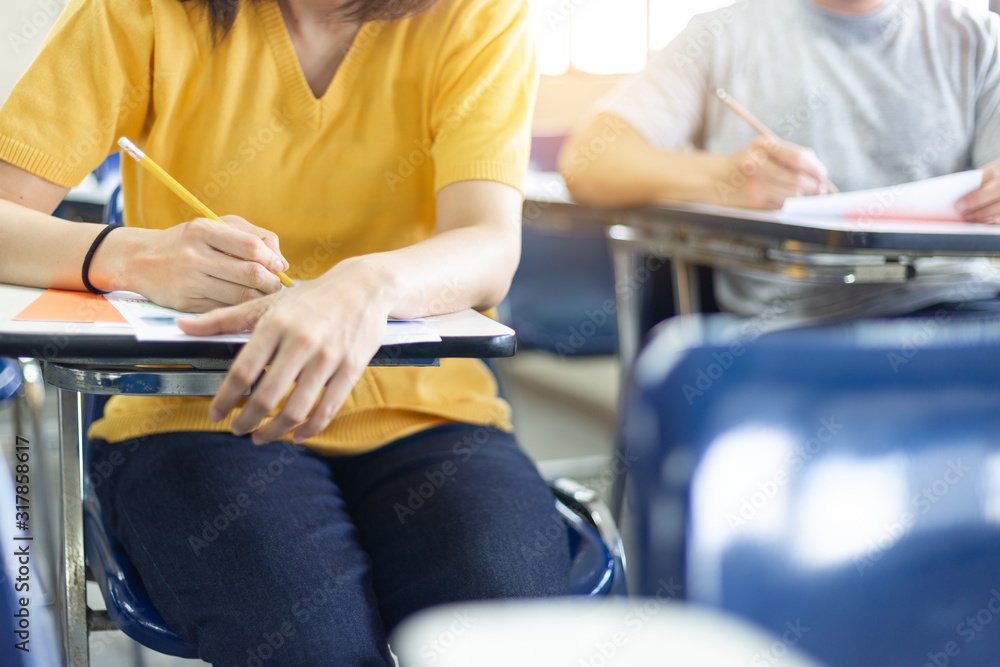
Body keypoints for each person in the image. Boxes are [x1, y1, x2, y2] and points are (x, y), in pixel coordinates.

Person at [0, 0, 570, 663]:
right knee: (312, 646)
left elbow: (488, 243)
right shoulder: (140, 11)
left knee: (505, 638)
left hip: (429, 415)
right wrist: (132, 255)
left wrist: (366, 285)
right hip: (196, 413)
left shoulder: (477, 13)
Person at [561, 0, 1000, 324]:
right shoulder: (721, 36)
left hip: (964, 313)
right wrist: (721, 179)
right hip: (791, 330)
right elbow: (588, 160)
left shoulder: (980, 39)